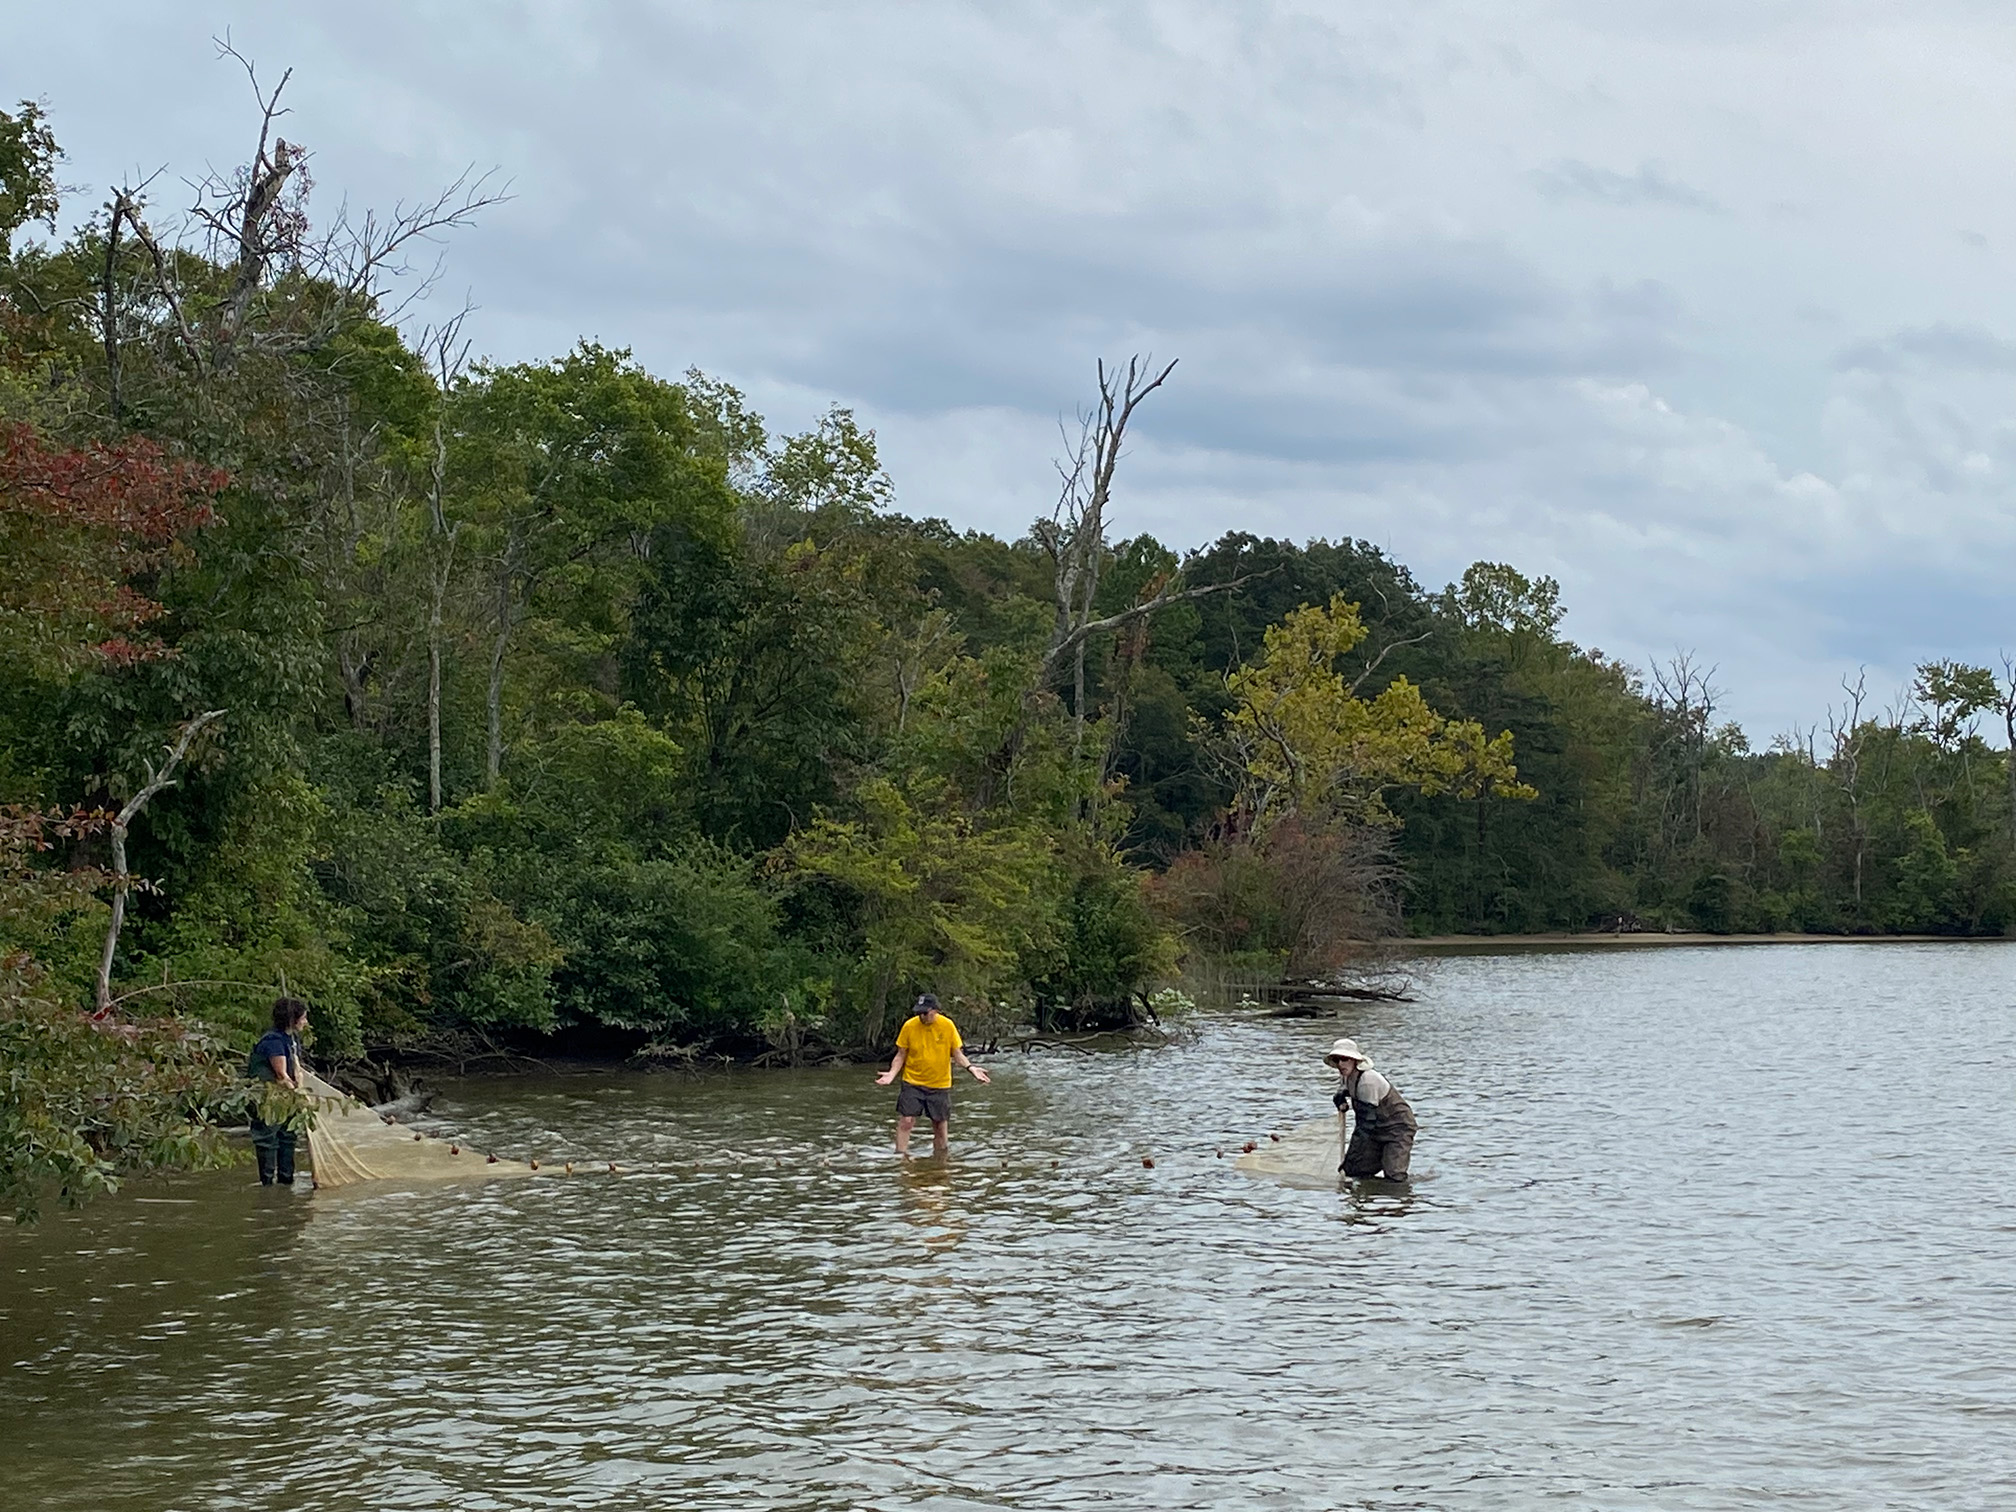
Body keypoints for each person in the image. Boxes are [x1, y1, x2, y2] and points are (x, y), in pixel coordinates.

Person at [874, 993, 990, 1156]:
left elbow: (957, 1054)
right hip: (912, 1081)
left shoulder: (947, 1026)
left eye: (925, 1012)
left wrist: (971, 1068)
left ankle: (940, 1162)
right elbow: (901, 1054)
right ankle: (900, 1158)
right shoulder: (909, 1026)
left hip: (939, 1084)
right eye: (918, 1012)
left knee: (940, 1126)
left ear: (935, 1011)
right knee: (906, 1120)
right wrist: (892, 1074)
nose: (921, 1016)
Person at [1326, 1036, 1415, 1181]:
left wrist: (1352, 1154)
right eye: (1336, 1060)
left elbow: (1365, 1122)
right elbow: (1342, 1091)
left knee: (1394, 1176)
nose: (1340, 1064)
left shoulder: (1368, 1080)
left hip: (1398, 1128)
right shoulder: (1346, 1076)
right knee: (1356, 1171)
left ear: (1355, 1060)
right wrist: (1340, 1098)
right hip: (1376, 1129)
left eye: (1344, 1059)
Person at [246, 997, 310, 1186]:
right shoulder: (273, 1041)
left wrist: (301, 1089)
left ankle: (285, 1183)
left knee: (288, 1137)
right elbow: (281, 1076)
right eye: (303, 1018)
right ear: (292, 1020)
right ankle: (267, 1184)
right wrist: (298, 1097)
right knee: (267, 1139)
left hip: (285, 1099)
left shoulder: (291, 1039)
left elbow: (296, 1069)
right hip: (267, 1099)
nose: (305, 1022)